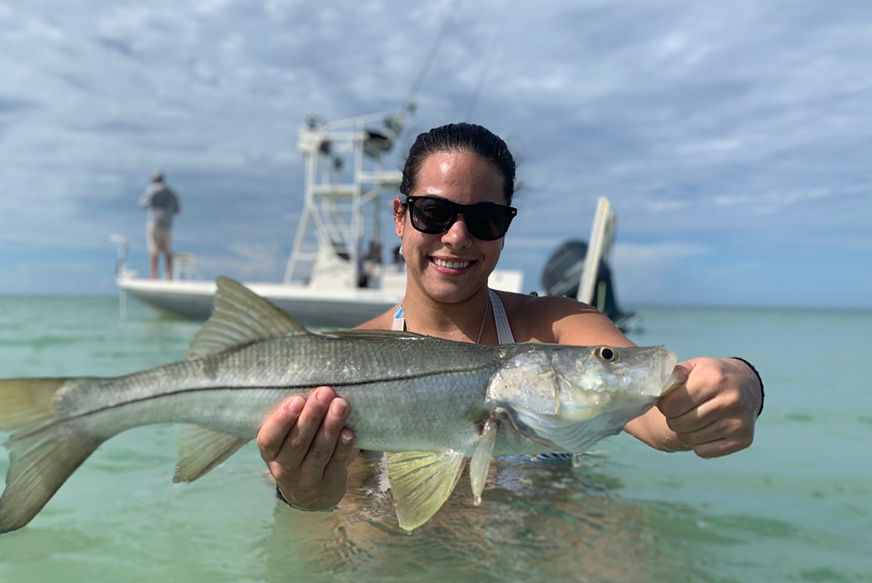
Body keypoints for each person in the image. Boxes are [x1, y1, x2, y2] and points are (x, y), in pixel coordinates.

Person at [257, 123, 764, 513]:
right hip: (403, 575)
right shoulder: (340, 357)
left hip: (544, 563)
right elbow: (318, 520)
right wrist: (299, 496)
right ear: (399, 216)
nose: (457, 236)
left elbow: (661, 420)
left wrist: (740, 381)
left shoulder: (556, 326)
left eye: (484, 220)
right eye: (433, 213)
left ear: (505, 229)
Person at [139, 170, 181, 280]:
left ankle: (154, 276)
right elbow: (177, 209)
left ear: (154, 179)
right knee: (167, 250)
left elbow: (143, 204)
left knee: (153, 250)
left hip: (154, 223)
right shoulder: (171, 192)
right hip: (167, 224)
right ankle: (169, 275)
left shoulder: (152, 189)